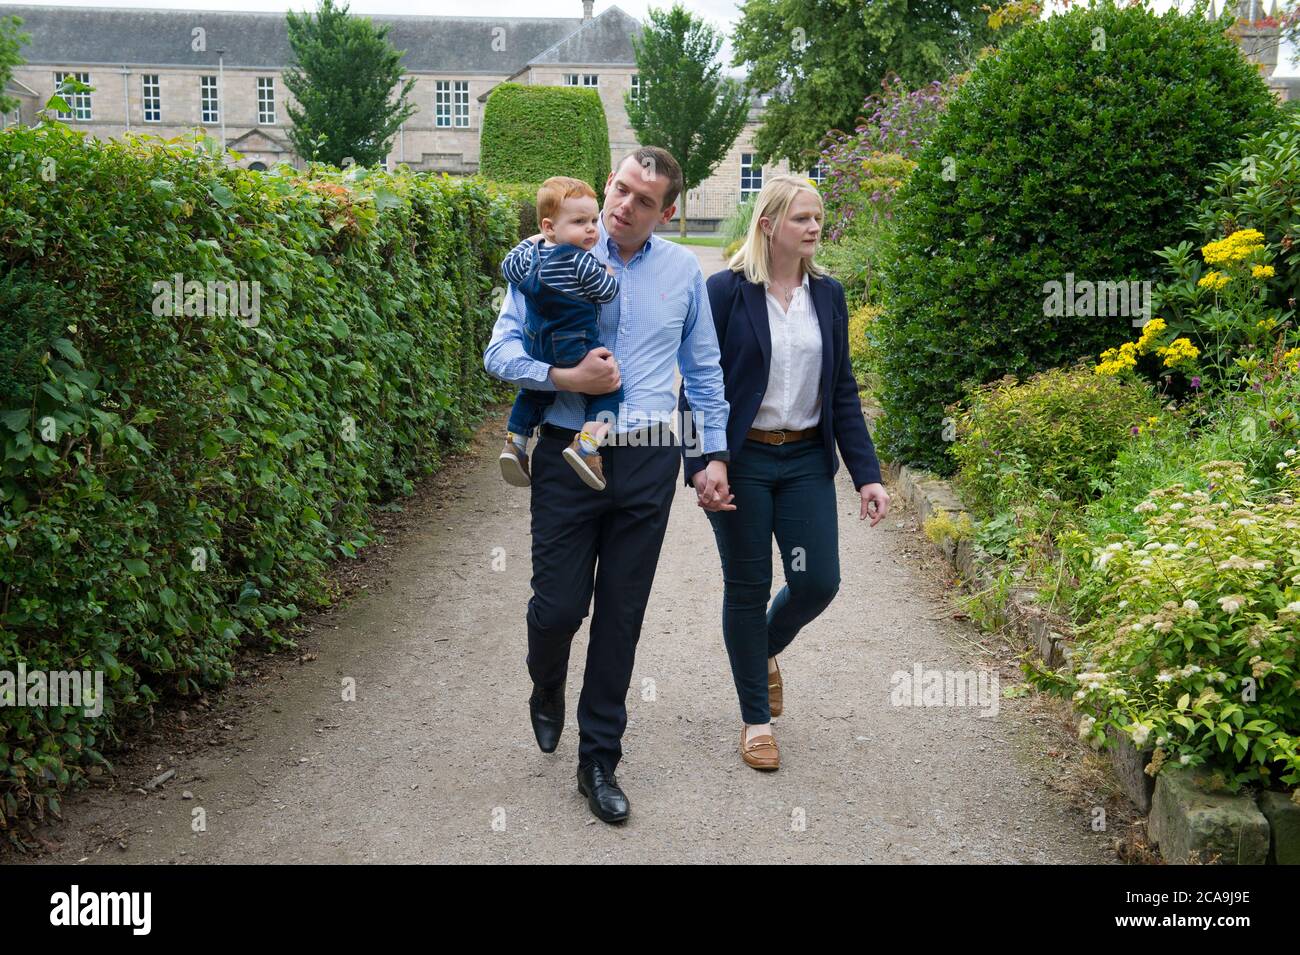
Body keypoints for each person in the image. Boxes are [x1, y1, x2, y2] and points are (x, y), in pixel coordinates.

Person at [483, 146, 732, 823]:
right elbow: (500, 350)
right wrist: (566, 380)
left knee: (620, 614)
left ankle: (599, 758)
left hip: (648, 457)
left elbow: (704, 371)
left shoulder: (683, 272)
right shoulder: (547, 255)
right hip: (567, 451)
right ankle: (546, 680)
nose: (623, 206)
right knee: (559, 608)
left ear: (667, 211)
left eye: (642, 199)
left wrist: (713, 454)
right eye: (618, 189)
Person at [680, 174, 892, 771]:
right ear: (769, 225)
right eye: (802, 217)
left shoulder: (829, 295)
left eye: (818, 217)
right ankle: (755, 721)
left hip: (803, 460)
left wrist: (866, 474)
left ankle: (762, 652)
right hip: (741, 460)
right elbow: (698, 388)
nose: (815, 227)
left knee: (817, 581)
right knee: (746, 589)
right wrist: (704, 462)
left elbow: (842, 390)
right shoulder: (723, 292)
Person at [498, 176, 622, 491]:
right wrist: (608, 274)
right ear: (550, 226)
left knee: (534, 392)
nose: (592, 228)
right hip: (573, 344)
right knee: (608, 390)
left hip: (536, 345)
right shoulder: (581, 260)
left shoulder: (531, 256)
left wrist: (533, 241)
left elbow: (507, 267)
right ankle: (586, 444)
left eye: (594, 220)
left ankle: (515, 442)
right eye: (580, 222)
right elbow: (607, 293)